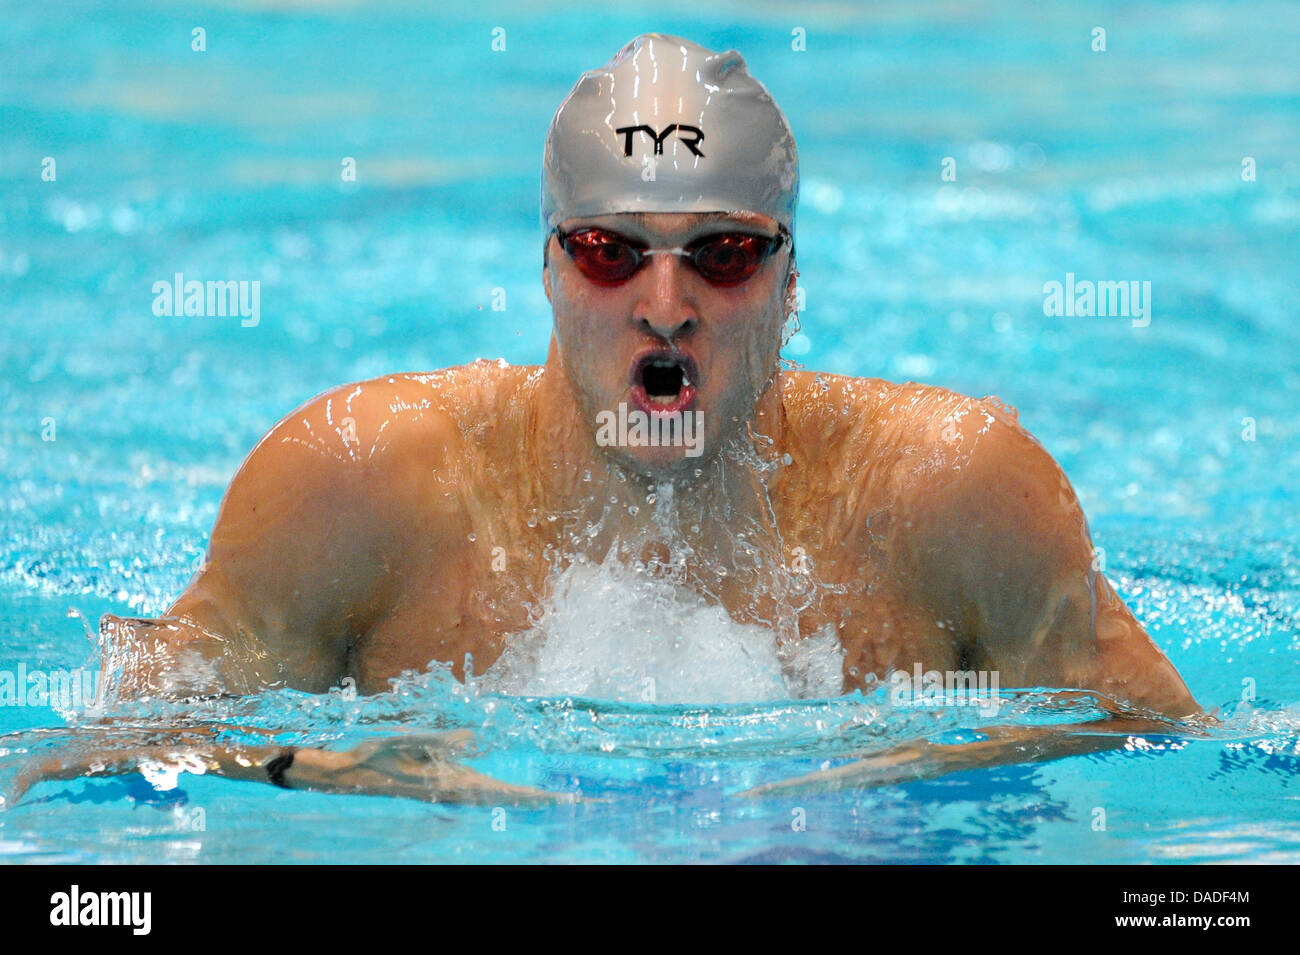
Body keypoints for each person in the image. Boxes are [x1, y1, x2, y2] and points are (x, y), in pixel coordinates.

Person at [14, 34, 1202, 807]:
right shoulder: (353, 484)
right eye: (609, 253)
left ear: (792, 281)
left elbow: (1193, 765)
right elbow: (82, 761)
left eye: (724, 255)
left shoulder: (950, 490)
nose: (665, 306)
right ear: (546, 266)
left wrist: (924, 765)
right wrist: (324, 766)